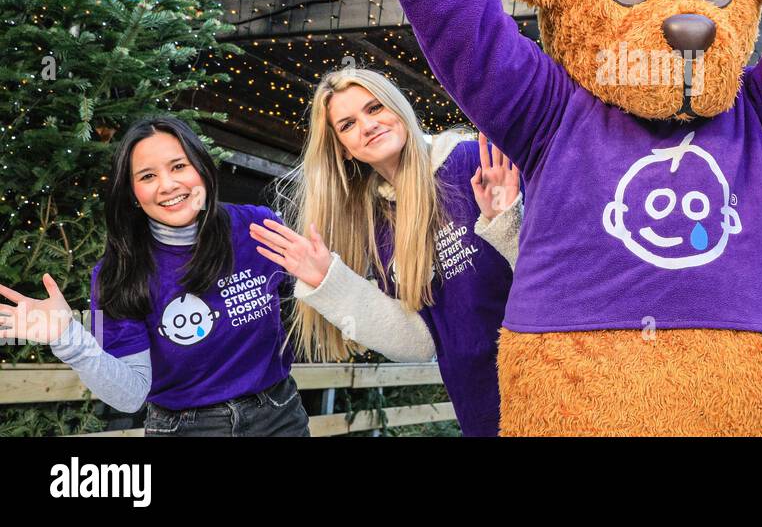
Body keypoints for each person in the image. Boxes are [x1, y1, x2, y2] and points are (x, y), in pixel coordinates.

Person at [250, 68, 521, 436]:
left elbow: (560, 277)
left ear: (397, 106)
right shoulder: (374, 223)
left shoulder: (474, 161)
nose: (367, 125)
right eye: (347, 124)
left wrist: (507, 219)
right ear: (343, 150)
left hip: (553, 377)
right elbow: (420, 341)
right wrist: (329, 282)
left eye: (375, 108)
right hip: (484, 407)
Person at [0, 116, 310, 436]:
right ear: (133, 193)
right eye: (148, 175)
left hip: (278, 416)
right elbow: (132, 394)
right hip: (185, 428)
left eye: (178, 166)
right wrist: (68, 338)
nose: (167, 185)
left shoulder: (257, 228)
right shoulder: (118, 273)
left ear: (202, 168)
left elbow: (312, 300)